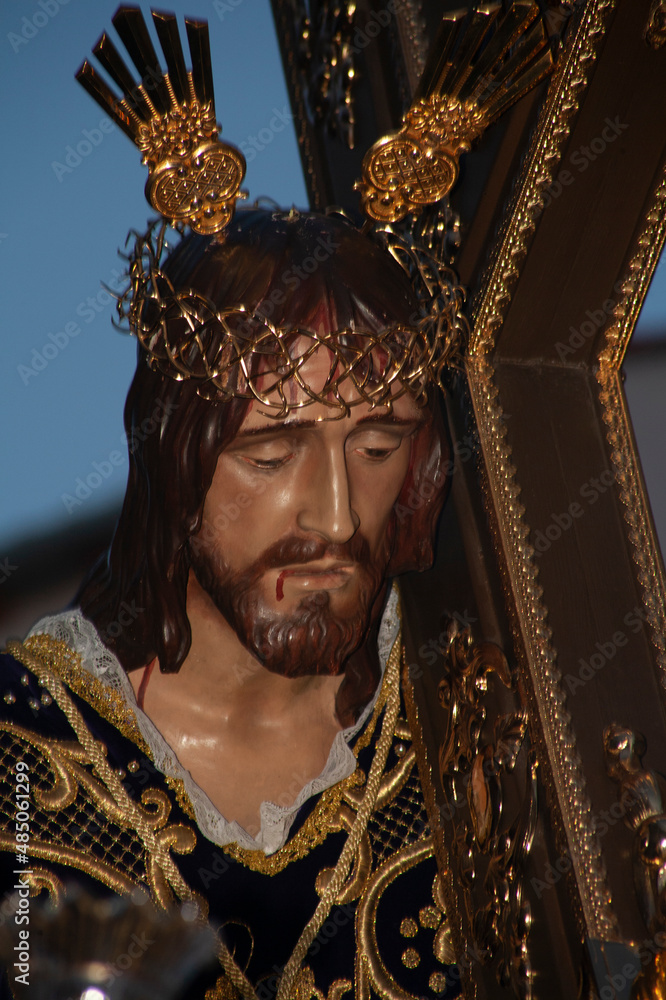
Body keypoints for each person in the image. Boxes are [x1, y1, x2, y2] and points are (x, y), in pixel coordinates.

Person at [0, 207, 464, 999]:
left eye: (378, 447)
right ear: (174, 458)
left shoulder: (468, 716)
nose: (336, 517)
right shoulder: (19, 748)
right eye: (271, 454)